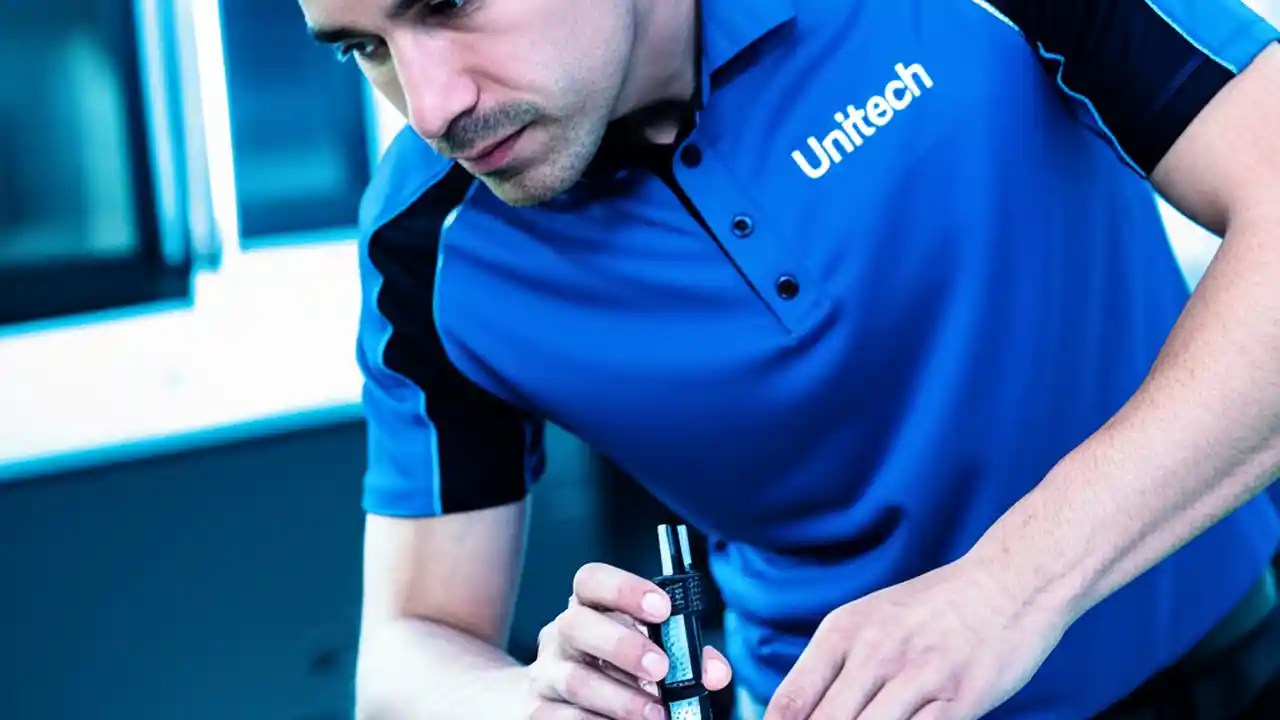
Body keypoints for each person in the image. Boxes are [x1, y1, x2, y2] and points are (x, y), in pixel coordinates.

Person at [297, 0, 1280, 717]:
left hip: (1217, 660)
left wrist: (1006, 588)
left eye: (447, 4)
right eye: (364, 50)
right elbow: (403, 654)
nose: (428, 107)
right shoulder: (423, 244)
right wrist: (523, 703)